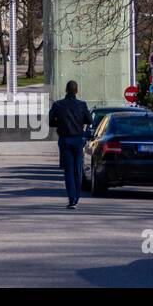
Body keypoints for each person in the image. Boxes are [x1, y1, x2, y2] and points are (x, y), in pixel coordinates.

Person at [49, 80, 92, 209]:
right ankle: (76, 198)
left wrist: (61, 123)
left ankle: (72, 198)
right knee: (77, 170)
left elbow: (50, 121)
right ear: (76, 91)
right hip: (78, 140)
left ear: (66, 90)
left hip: (65, 140)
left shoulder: (58, 105)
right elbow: (89, 120)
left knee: (68, 170)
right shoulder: (82, 105)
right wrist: (79, 122)